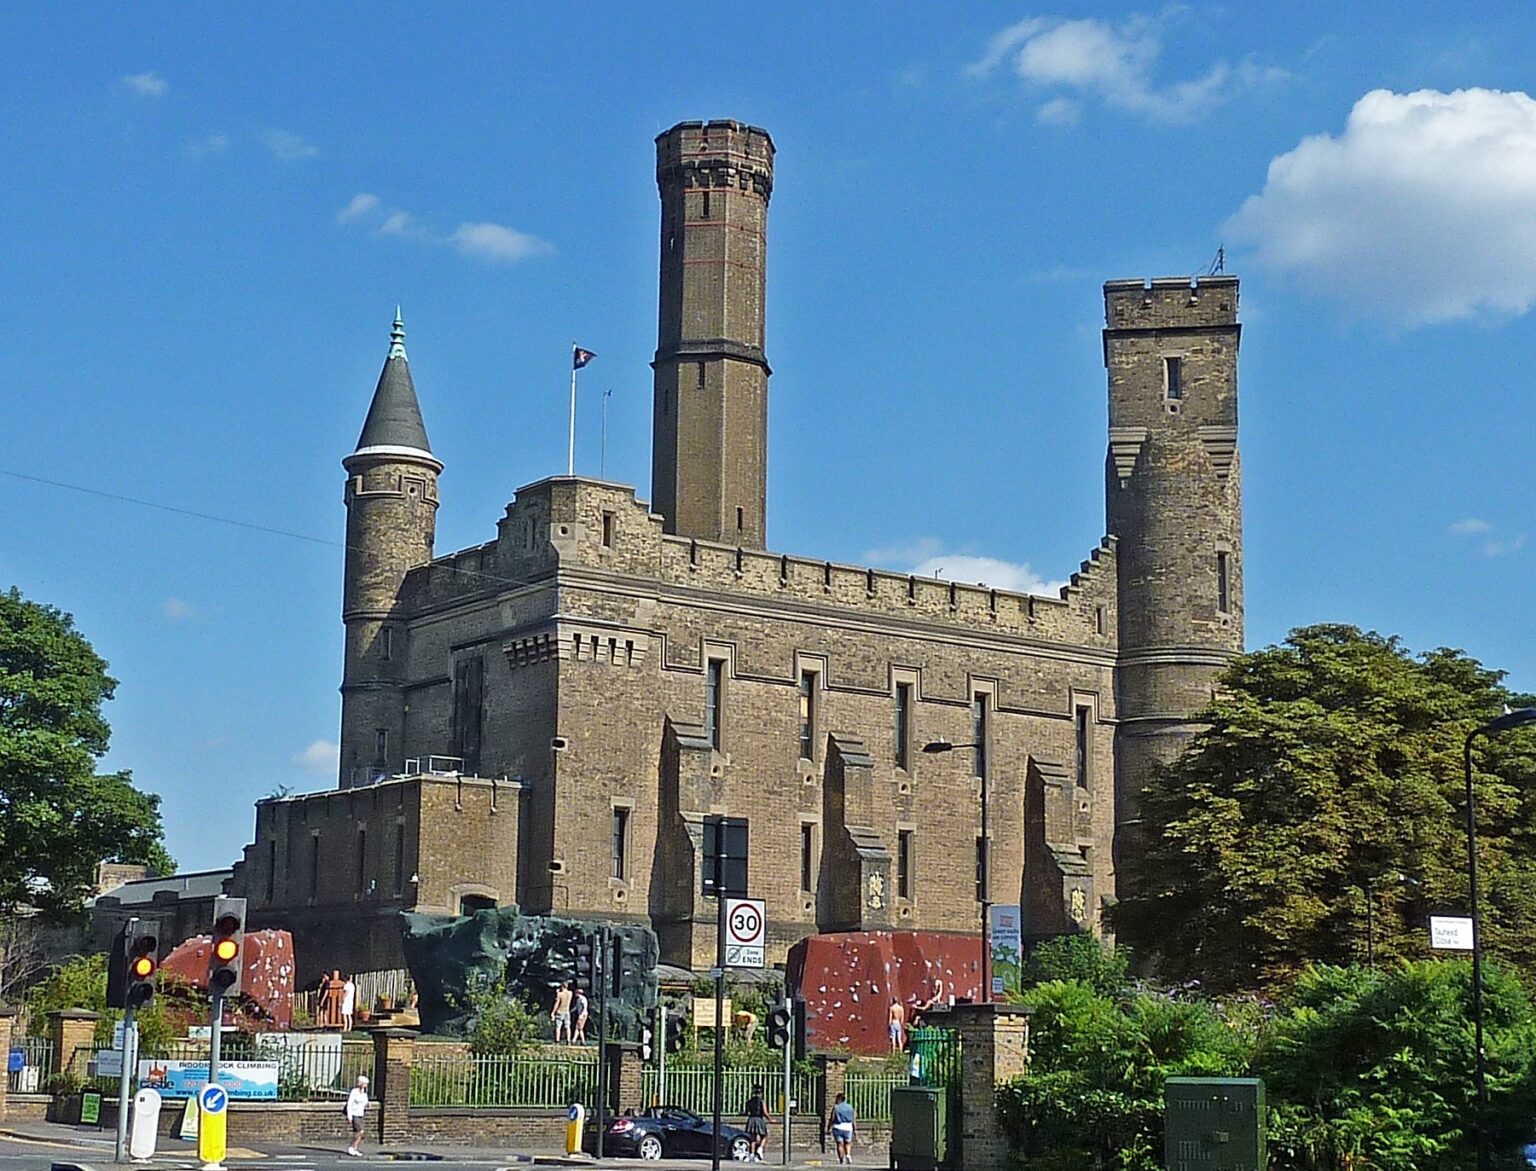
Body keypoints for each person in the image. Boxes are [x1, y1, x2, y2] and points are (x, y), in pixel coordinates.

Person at [344, 1074, 370, 1157]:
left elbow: (365, 1102)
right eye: (365, 1084)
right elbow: (349, 1103)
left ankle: (354, 1148)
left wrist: (367, 1104)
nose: (366, 1086)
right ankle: (351, 1147)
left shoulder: (364, 1093)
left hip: (360, 1114)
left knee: (359, 1133)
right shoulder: (354, 1091)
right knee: (360, 1131)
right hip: (354, 1114)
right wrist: (349, 1116)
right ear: (361, 1083)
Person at [744, 1083, 769, 1162]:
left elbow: (745, 1112)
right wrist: (770, 1119)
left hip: (751, 1119)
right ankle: (760, 1149)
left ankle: (751, 1155)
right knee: (764, 1135)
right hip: (759, 1119)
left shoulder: (749, 1101)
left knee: (753, 1138)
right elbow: (765, 1113)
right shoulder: (762, 1102)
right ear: (761, 1093)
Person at [830, 1092, 855, 1165]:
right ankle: (848, 1155)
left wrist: (829, 1127)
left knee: (840, 1144)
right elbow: (853, 1119)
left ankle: (841, 1159)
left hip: (838, 1126)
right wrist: (855, 1129)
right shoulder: (850, 1107)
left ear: (839, 1099)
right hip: (848, 1127)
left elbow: (832, 1118)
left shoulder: (836, 1107)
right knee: (848, 1143)